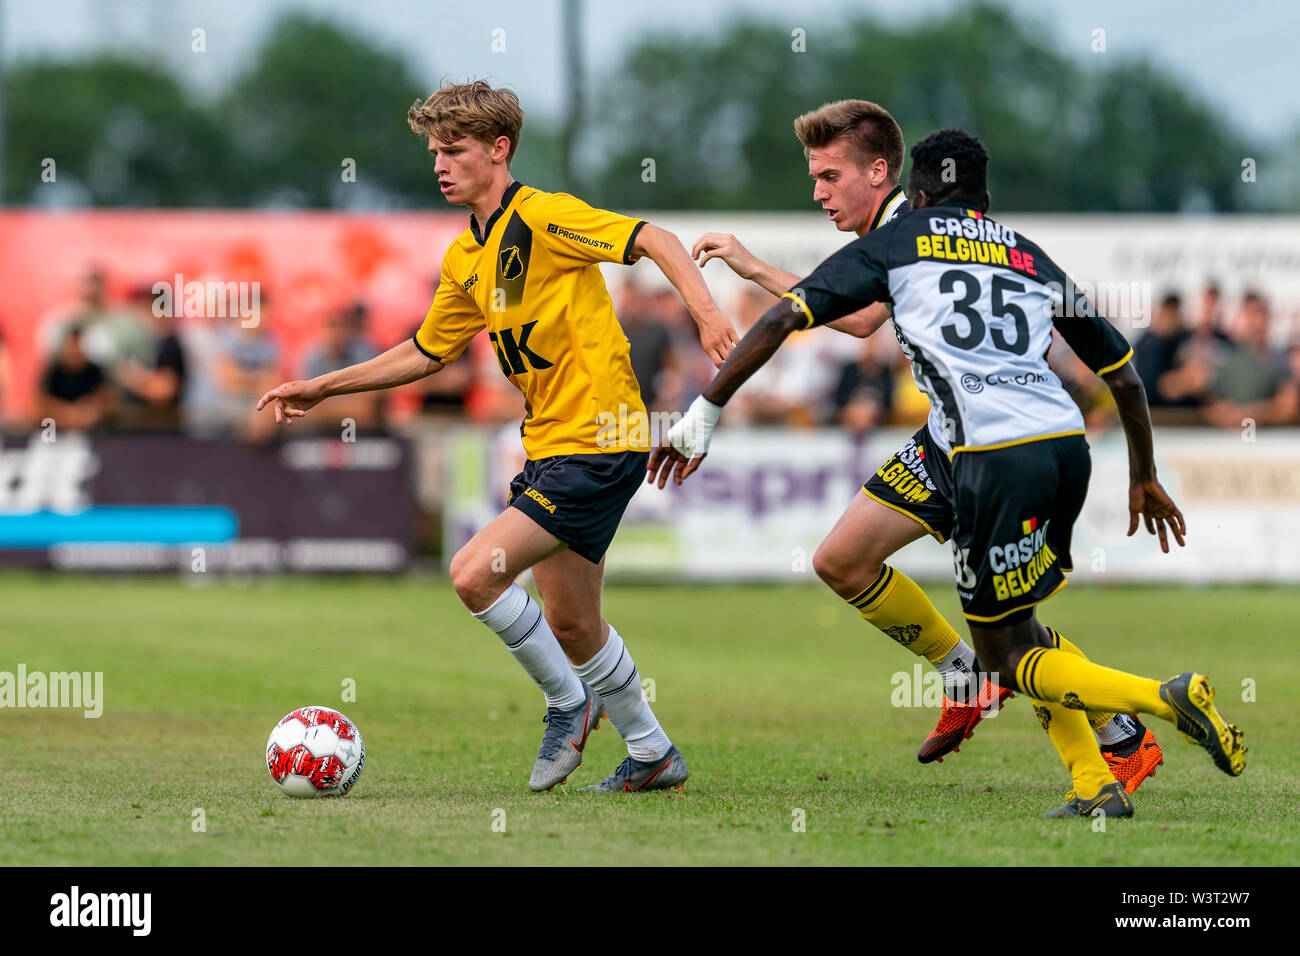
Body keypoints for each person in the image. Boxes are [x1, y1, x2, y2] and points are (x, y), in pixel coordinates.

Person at [652, 128, 1246, 818]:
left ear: (899, 182)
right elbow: (1123, 376)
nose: (819, 193)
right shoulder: (1022, 250)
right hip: (1032, 440)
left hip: (991, 448)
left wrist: (707, 407)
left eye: (829, 177)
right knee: (844, 561)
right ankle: (1052, 742)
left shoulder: (901, 236)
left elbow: (823, 317)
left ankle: (1145, 709)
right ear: (984, 200)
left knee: (1010, 643)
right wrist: (1142, 473)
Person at [257, 79, 738, 793]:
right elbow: (425, 351)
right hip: (553, 446)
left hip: (601, 440)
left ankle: (568, 705)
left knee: (473, 572)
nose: (440, 165)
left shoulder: (543, 216)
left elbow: (653, 239)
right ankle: (653, 753)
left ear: (499, 149)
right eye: (434, 152)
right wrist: (324, 386)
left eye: (453, 150)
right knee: (572, 623)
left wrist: (704, 314)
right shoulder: (466, 258)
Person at [38, 325, 113, 431]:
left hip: (93, 433)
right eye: (71, 346)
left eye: (77, 345)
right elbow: (42, 402)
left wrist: (86, 413)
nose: (74, 351)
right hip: (57, 433)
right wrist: (62, 413)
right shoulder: (54, 372)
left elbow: (106, 402)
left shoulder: (95, 372)